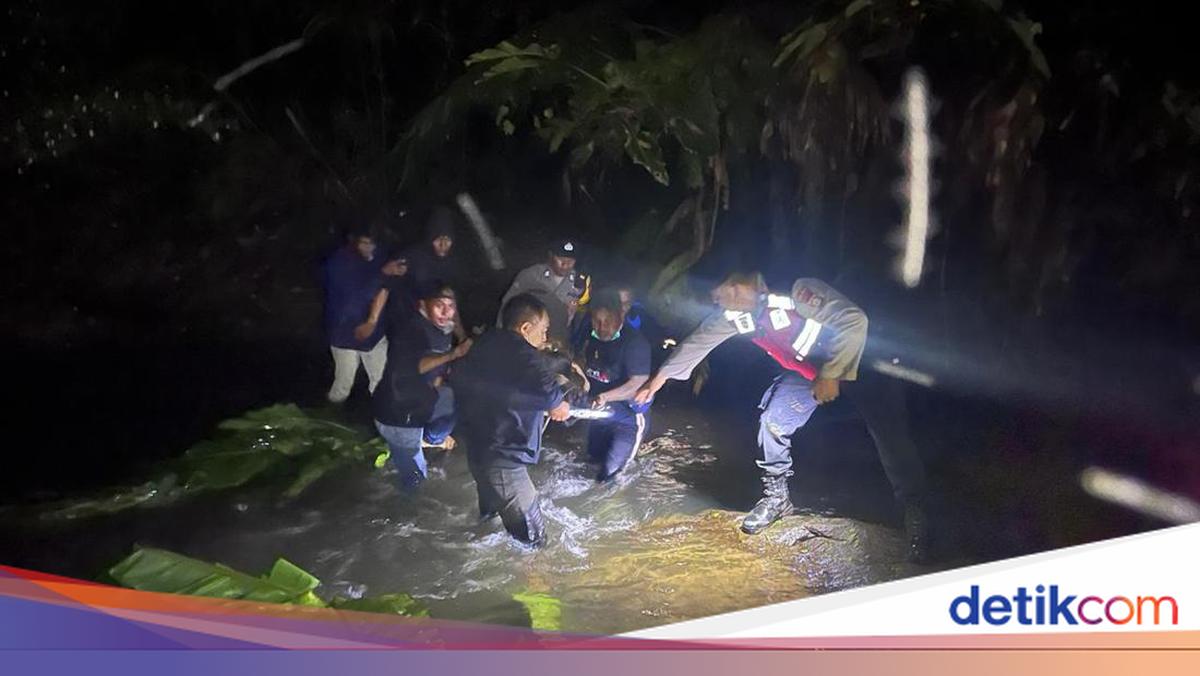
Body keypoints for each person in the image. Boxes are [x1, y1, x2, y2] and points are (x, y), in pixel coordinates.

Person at [634, 272, 929, 559]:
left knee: (891, 438)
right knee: (773, 420)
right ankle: (777, 499)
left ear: (745, 282)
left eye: (728, 290)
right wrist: (655, 382)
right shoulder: (734, 315)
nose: (723, 298)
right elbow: (697, 344)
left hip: (861, 366)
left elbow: (853, 321)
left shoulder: (797, 290)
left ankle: (918, 513)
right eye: (719, 295)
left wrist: (832, 374)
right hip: (809, 375)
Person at [458, 294, 571, 546]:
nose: (545, 338)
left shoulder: (484, 342)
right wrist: (558, 405)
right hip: (505, 462)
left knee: (489, 521)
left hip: (478, 452)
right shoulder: (525, 354)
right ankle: (535, 582)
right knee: (534, 542)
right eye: (543, 331)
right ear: (525, 328)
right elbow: (550, 395)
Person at [372, 281, 472, 490]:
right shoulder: (412, 330)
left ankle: (429, 439)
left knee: (457, 396)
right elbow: (415, 365)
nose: (446, 312)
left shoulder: (442, 327)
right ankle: (408, 508)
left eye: (450, 306)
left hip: (421, 400)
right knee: (417, 482)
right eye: (439, 305)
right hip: (399, 415)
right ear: (422, 306)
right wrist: (453, 354)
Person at [573, 288, 653, 482]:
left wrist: (605, 396)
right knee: (589, 463)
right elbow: (577, 360)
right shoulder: (588, 333)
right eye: (596, 321)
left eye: (608, 321)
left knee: (610, 474)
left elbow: (637, 384)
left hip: (628, 419)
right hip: (598, 414)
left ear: (621, 315)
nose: (602, 328)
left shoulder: (635, 343)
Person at [321, 224, 389, 403]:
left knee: (380, 381)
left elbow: (385, 288)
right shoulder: (340, 263)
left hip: (374, 333)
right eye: (364, 243)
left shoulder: (379, 256)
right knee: (344, 382)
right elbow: (354, 297)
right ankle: (331, 414)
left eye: (372, 244)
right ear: (354, 242)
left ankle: (383, 421)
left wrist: (372, 322)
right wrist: (382, 275)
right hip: (344, 333)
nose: (369, 248)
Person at [497, 239, 587, 347]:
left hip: (556, 341)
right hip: (526, 339)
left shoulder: (579, 282)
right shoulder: (530, 275)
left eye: (570, 261)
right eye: (561, 259)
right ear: (551, 256)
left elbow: (581, 316)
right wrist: (499, 336)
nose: (565, 264)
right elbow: (507, 305)